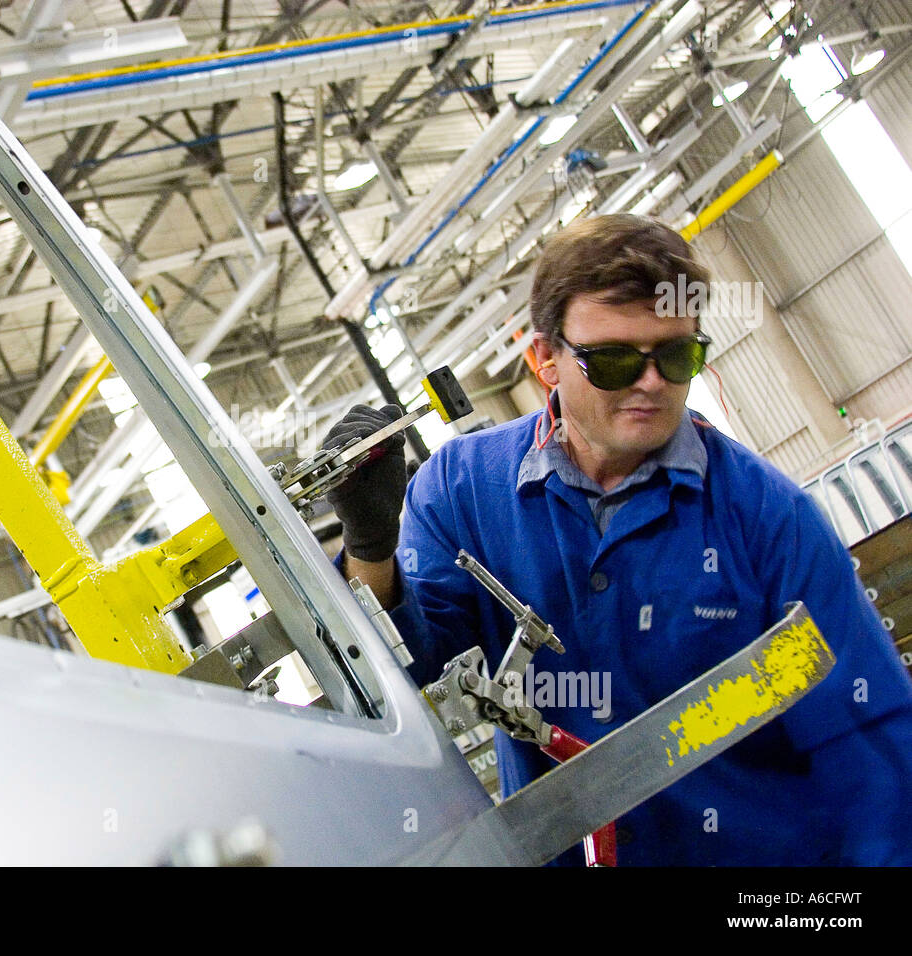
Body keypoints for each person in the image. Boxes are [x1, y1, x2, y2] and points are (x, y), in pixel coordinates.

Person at [324, 214, 912, 865]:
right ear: (544, 360)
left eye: (677, 355)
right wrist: (371, 546)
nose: (652, 382)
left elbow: (871, 740)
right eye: (613, 359)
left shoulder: (768, 517)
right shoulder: (463, 489)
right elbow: (407, 665)